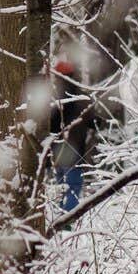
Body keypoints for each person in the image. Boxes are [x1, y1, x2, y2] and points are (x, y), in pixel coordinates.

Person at [48, 58, 95, 212]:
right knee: (72, 188)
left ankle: (61, 221)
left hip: (56, 153)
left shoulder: (51, 99)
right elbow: (95, 123)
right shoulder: (82, 98)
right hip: (75, 153)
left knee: (61, 187)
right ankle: (67, 221)